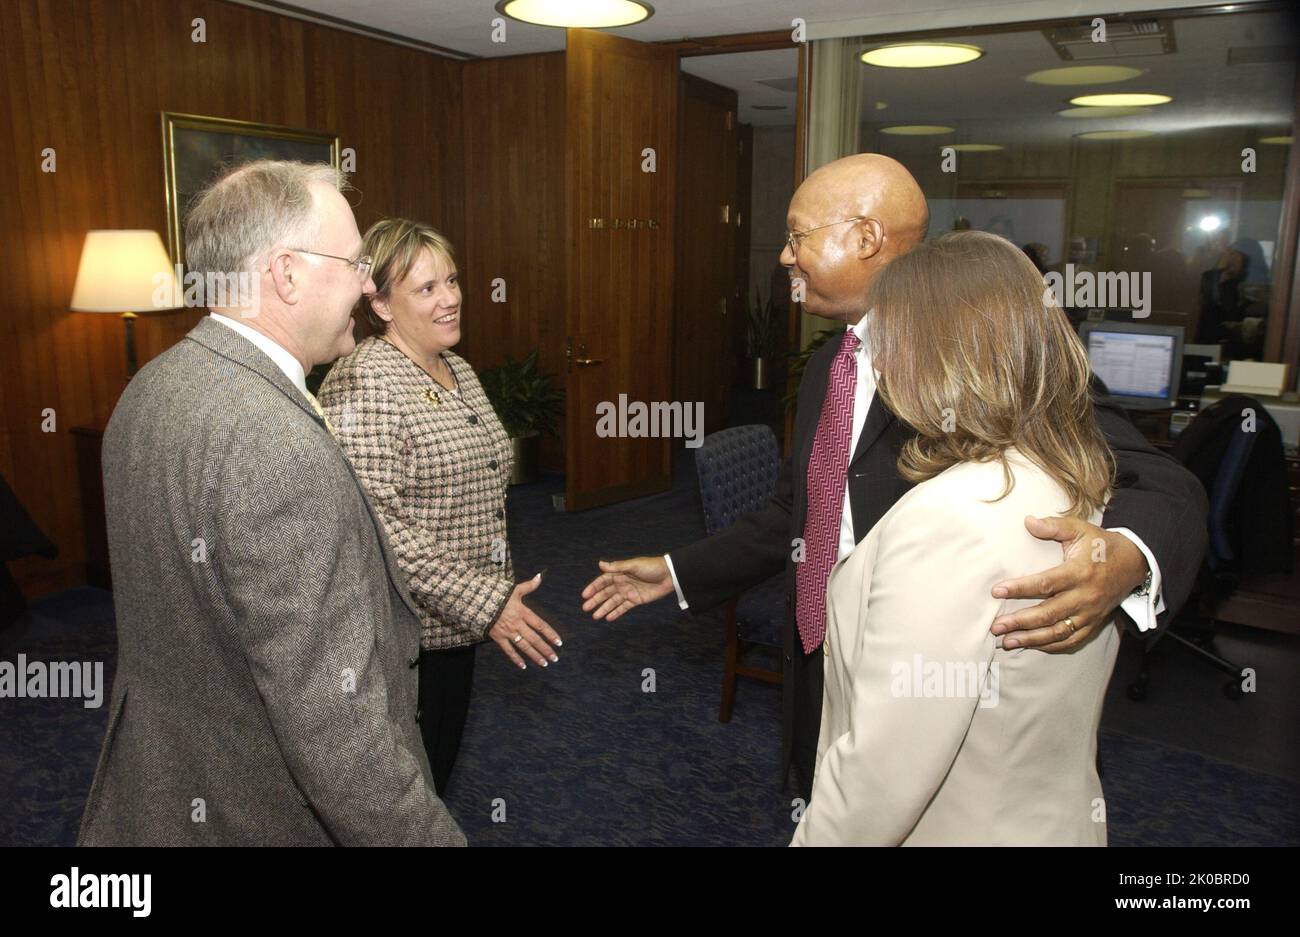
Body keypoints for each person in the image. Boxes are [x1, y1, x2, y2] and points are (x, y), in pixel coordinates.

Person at [581, 153, 1208, 800]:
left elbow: (1160, 479)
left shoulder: (981, 356)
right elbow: (796, 515)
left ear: (865, 238)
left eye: (797, 237)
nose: (785, 258)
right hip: (818, 651)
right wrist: (679, 569)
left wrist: (1129, 555)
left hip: (934, 679)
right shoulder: (830, 364)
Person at [78, 161, 465, 846]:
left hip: (162, 791)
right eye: (355, 263)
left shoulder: (148, 388)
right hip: (262, 812)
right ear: (286, 274)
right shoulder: (277, 444)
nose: (368, 285)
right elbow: (335, 726)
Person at [791, 231, 1119, 845]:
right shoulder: (1068, 478)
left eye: (891, 341)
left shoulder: (953, 519)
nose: (880, 363)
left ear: (942, 351)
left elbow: (881, 775)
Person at [319, 218, 561, 796]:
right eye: (426, 289)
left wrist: (486, 597)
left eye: (451, 281)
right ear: (379, 303)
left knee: (436, 771)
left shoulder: (454, 368)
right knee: (401, 792)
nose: (450, 299)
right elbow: (381, 529)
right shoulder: (366, 383)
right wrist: (488, 602)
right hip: (404, 636)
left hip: (455, 626)